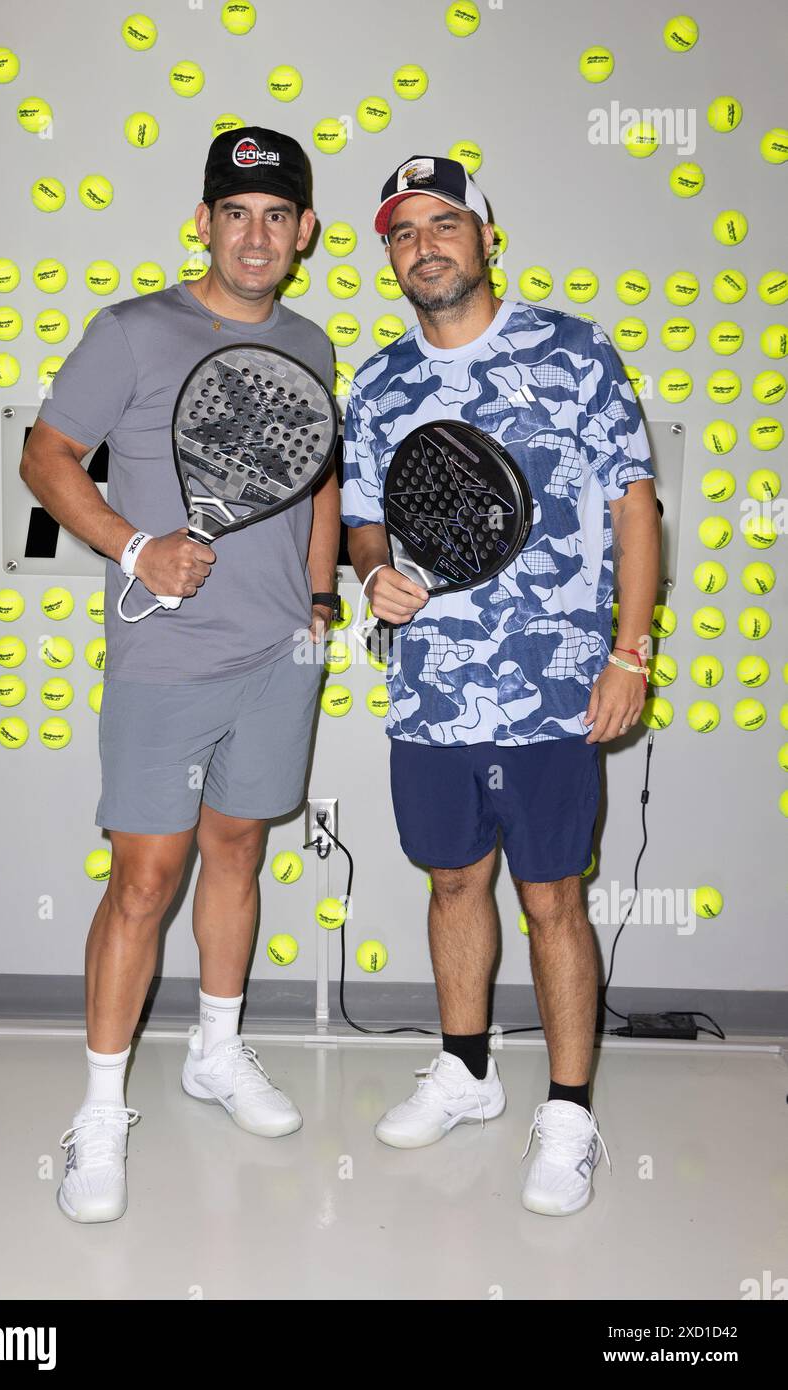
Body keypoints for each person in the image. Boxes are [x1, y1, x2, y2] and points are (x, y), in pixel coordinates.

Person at [20, 127, 341, 1223]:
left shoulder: (311, 340)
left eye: (276, 215)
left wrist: (317, 601)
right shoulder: (131, 330)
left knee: (238, 849)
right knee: (145, 878)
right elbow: (46, 454)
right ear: (203, 222)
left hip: (278, 654)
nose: (255, 235)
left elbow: (320, 481)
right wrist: (134, 547)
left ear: (303, 232)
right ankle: (101, 1113)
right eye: (234, 212)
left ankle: (216, 1048)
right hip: (164, 652)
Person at [343, 155, 661, 1216]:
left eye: (443, 223)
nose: (424, 244)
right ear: (388, 254)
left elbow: (631, 508)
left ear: (485, 235)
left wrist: (628, 654)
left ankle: (568, 1112)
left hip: (555, 690)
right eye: (402, 231)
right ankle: (467, 1069)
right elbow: (362, 518)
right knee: (450, 883)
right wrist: (374, 571)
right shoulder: (381, 380)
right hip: (430, 689)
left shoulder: (570, 352)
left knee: (552, 897)